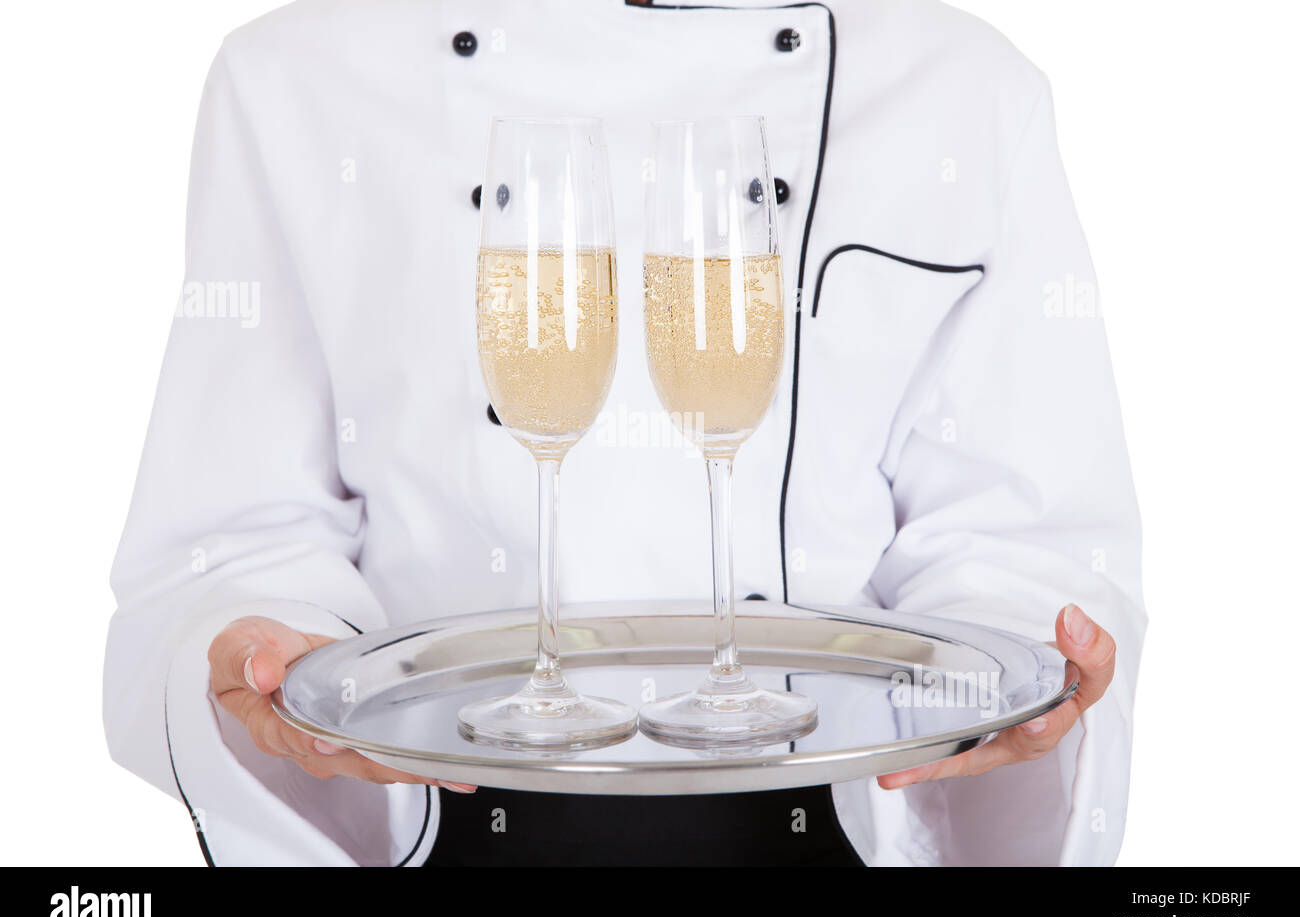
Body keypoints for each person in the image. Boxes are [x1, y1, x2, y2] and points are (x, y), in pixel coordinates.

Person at [105, 0, 1145, 866]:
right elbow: (238, 537)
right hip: (439, 824)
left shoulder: (962, 84)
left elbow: (1011, 541)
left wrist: (1009, 681)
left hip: (834, 825)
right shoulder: (296, 74)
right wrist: (280, 660)